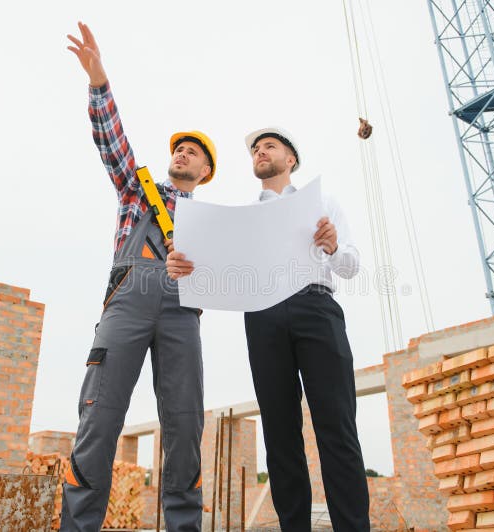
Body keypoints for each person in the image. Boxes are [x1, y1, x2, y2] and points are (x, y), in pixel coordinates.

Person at [167, 127, 370, 531]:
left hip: (316, 307)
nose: (260, 152)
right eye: (256, 149)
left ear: (290, 159)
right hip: (262, 315)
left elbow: (350, 266)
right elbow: (215, 269)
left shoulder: (322, 203)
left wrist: (332, 246)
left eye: (269, 146)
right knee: (279, 433)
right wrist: (183, 268)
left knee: (337, 425)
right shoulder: (245, 217)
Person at [62, 21, 216, 532]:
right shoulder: (137, 187)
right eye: (180, 147)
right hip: (127, 301)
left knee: (184, 427)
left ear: (206, 171)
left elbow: (231, 278)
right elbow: (112, 141)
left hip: (182, 314)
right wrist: (99, 83)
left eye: (193, 151)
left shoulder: (214, 222)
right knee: (99, 418)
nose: (183, 153)